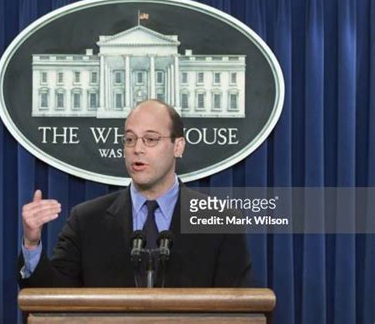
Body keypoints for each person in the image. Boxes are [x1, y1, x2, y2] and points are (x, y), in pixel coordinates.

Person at [18, 99, 252, 288]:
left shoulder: (219, 221)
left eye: (150, 139)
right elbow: (52, 297)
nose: (137, 149)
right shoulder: (87, 221)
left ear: (178, 146)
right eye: (129, 140)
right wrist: (31, 243)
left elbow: (238, 305)